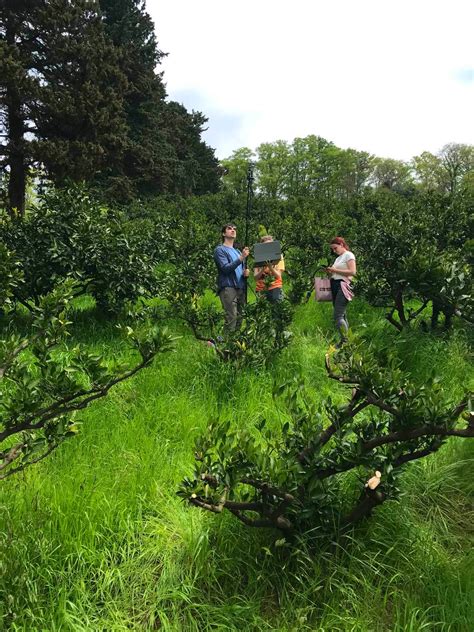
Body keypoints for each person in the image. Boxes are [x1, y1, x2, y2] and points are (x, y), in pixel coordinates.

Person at [214, 223, 250, 332]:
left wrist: (246, 273)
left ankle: (234, 343)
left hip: (241, 288)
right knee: (231, 317)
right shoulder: (220, 250)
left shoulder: (237, 251)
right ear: (223, 233)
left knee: (240, 318)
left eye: (234, 229)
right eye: (229, 229)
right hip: (228, 287)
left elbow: (241, 270)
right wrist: (241, 258)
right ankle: (223, 343)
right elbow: (225, 268)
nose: (233, 230)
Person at [326, 237, 356, 346]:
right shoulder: (338, 258)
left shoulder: (349, 255)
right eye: (332, 249)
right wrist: (330, 271)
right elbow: (335, 273)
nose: (334, 251)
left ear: (341, 244)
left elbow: (352, 272)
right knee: (342, 315)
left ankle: (345, 341)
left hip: (343, 285)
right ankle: (347, 341)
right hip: (335, 284)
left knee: (338, 316)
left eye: (335, 248)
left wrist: (335, 270)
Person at [253, 235, 285, 302]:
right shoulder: (258, 257)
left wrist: (270, 267)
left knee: (276, 307)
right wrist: (262, 269)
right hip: (261, 288)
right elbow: (255, 277)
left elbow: (278, 275)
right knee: (263, 310)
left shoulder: (279, 257)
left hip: (275, 286)